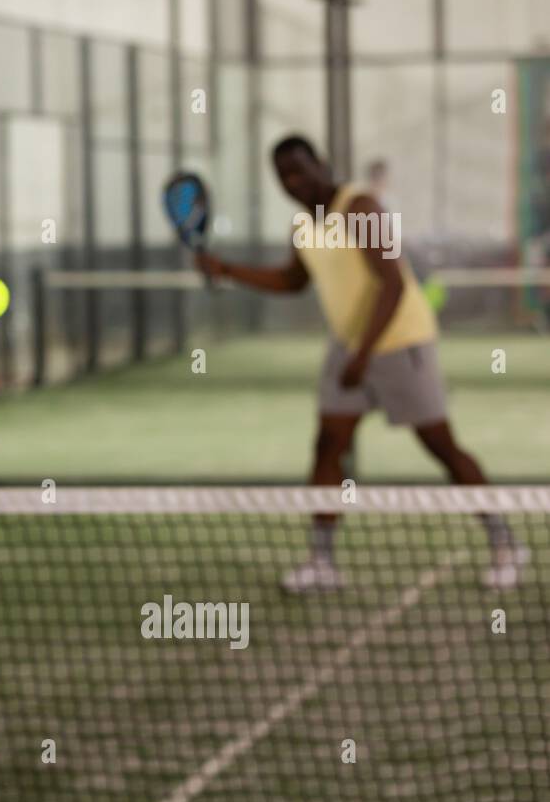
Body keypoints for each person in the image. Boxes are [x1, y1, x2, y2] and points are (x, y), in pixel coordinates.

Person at [196, 135, 525, 592]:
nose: (293, 182)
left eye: (299, 169)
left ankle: (505, 542)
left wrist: (364, 354)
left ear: (322, 165)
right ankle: (323, 561)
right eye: (283, 176)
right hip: (349, 345)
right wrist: (227, 269)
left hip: (400, 342)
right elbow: (292, 281)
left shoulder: (361, 207)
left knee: (440, 446)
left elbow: (391, 283)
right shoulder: (304, 227)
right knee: (328, 445)